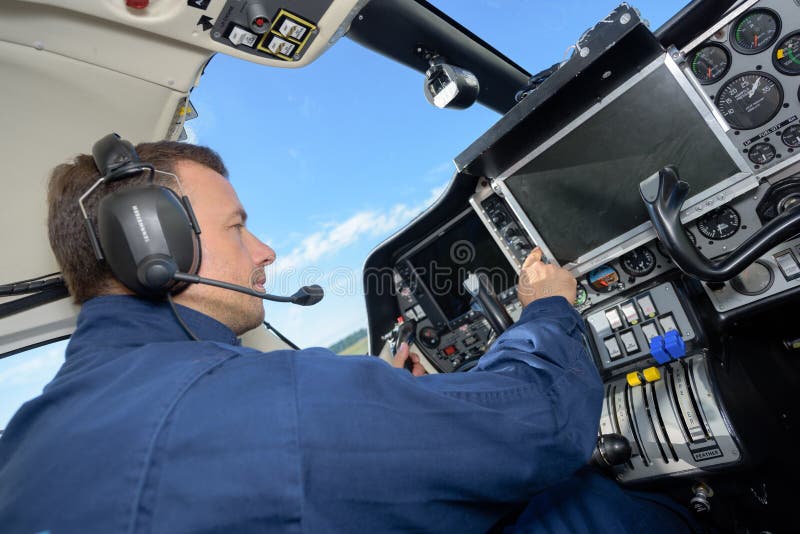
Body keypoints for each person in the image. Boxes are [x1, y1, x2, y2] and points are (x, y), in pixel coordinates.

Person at [0, 141, 694, 533]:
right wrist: (547, 311)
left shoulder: (24, 442)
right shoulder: (259, 407)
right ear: (152, 245)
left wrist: (382, 397)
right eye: (238, 226)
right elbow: (540, 425)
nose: (265, 251)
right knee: (577, 507)